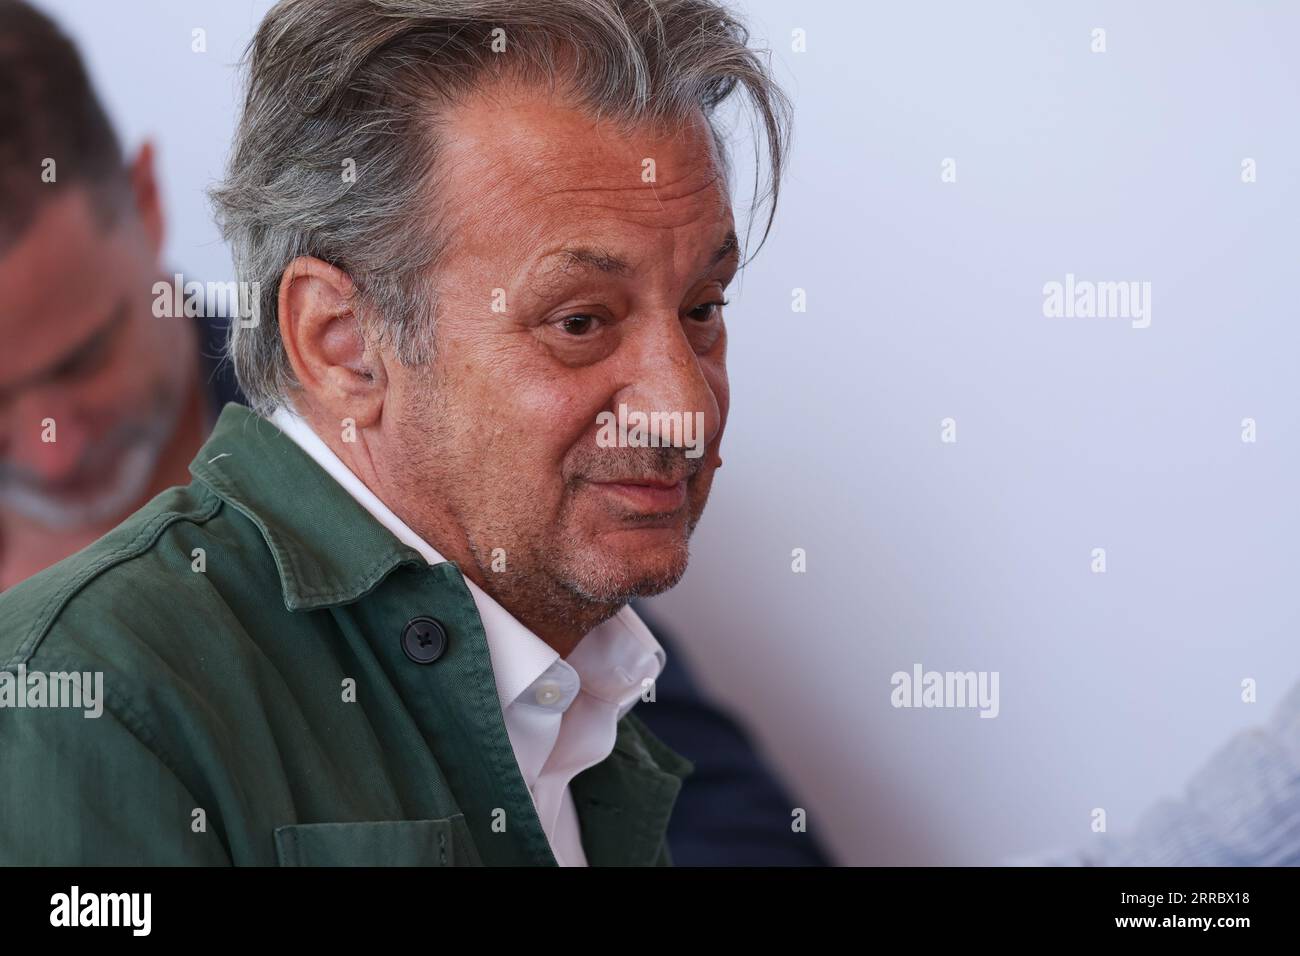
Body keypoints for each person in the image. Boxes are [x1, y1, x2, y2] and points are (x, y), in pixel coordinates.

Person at [0, 0, 825, 866]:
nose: (683, 409)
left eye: (703, 307)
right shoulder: (77, 705)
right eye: (580, 322)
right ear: (342, 345)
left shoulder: (578, 661)